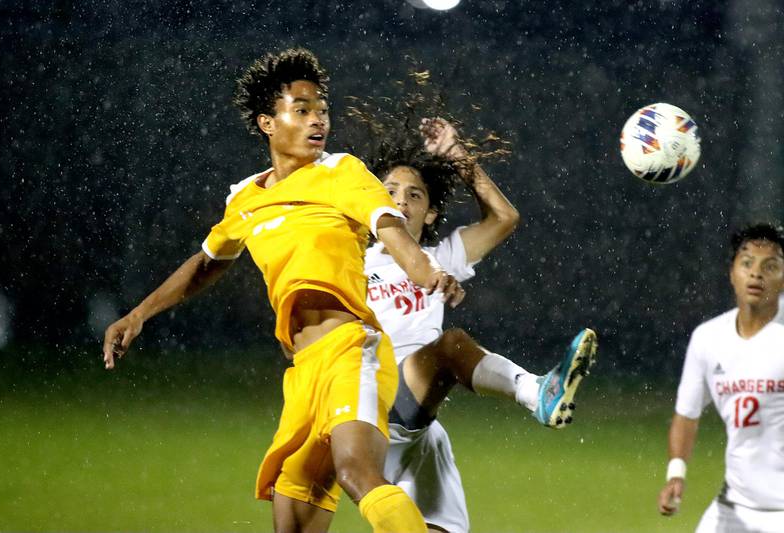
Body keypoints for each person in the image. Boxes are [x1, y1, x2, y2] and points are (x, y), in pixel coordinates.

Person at [101, 48, 467, 533]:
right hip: (302, 373)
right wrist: (138, 315)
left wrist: (425, 271)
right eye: (302, 109)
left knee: (358, 472)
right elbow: (206, 264)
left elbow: (392, 230)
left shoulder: (343, 173)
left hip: (351, 354)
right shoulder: (247, 199)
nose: (318, 120)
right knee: (291, 519)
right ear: (267, 123)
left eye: (322, 109)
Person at [357, 110, 598, 532]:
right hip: (373, 404)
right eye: (390, 191)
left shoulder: (440, 258)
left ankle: (537, 392)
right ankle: (535, 391)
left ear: (430, 214)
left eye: (415, 195)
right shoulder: (351, 259)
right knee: (451, 346)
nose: (400, 201)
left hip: (419, 425)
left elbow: (505, 218)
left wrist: (457, 155)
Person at [657, 223, 784, 532]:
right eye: (747, 263)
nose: (756, 273)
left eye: (771, 266)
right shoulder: (708, 339)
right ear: (731, 274)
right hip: (734, 506)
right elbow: (686, 415)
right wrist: (676, 474)